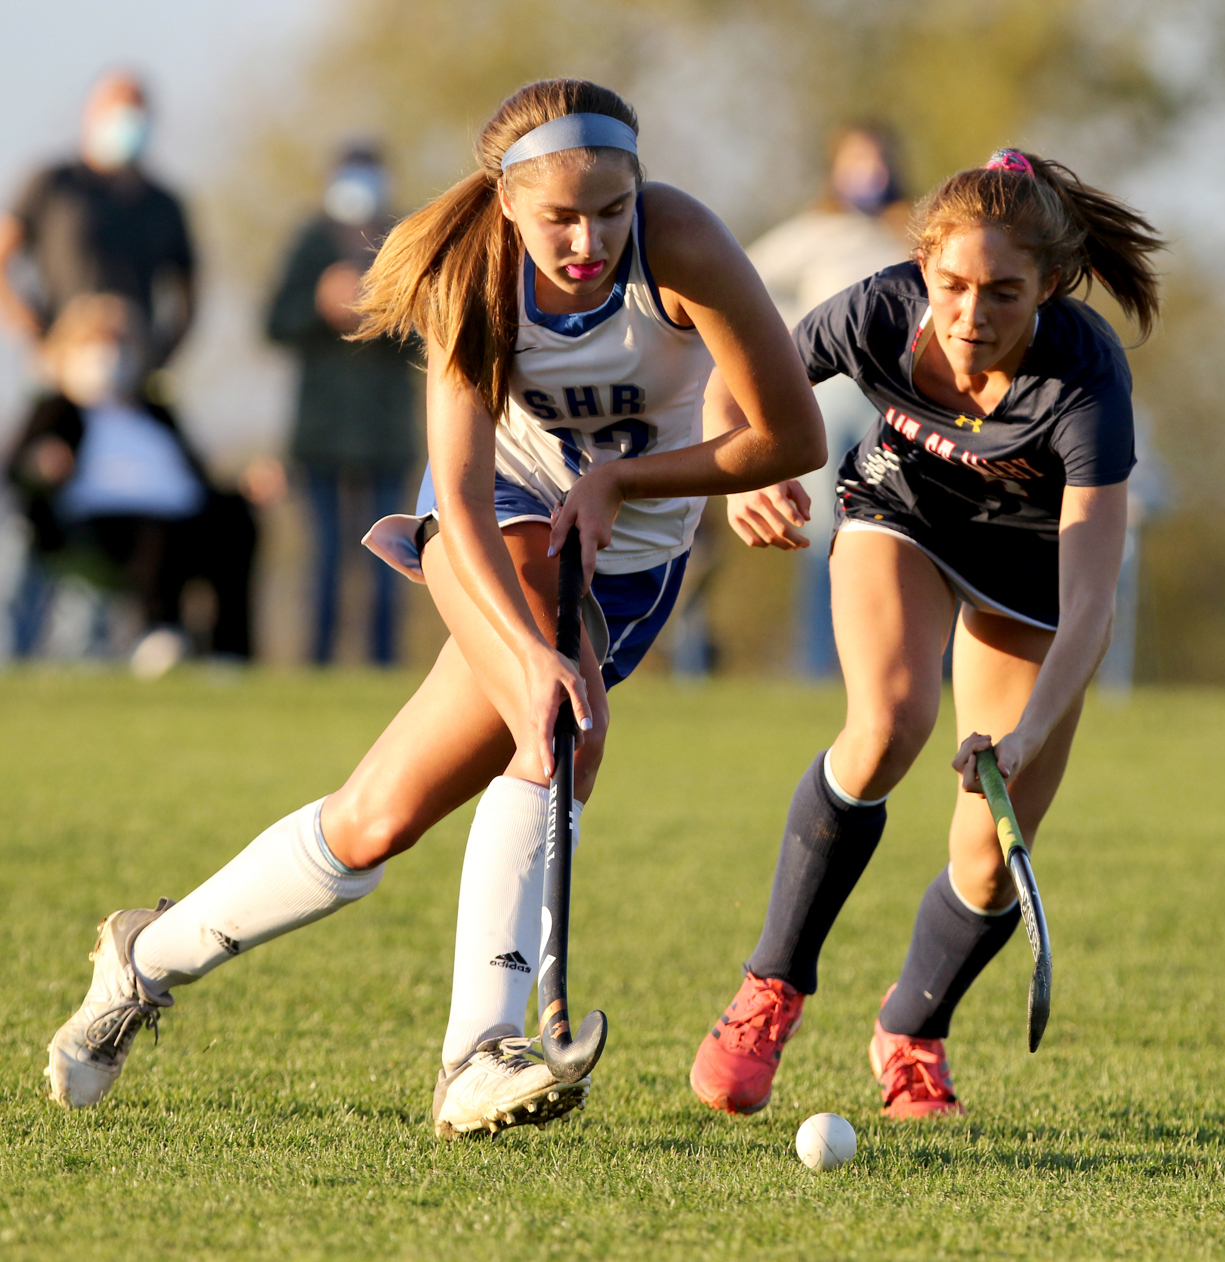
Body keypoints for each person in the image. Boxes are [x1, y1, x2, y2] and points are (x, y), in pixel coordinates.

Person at [43, 79, 824, 1136]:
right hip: (486, 522)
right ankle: (479, 1055)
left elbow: (789, 439)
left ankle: (145, 954)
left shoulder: (681, 241)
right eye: (559, 216)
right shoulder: (475, 272)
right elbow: (455, 489)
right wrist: (526, 644)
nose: (589, 237)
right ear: (506, 202)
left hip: (632, 566)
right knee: (561, 722)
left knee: (373, 821)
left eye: (610, 209)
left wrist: (622, 483)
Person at [690, 149, 1163, 1118]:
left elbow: (1089, 602)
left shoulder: (1083, 384)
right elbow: (734, 384)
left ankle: (911, 1028)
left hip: (1030, 574)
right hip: (899, 512)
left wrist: (1027, 732)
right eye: (949, 284)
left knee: (993, 844)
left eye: (1001, 293)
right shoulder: (874, 309)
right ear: (921, 267)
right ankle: (768, 989)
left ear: (1049, 287)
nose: (968, 315)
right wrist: (743, 470)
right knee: (888, 724)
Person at [5, 293, 255, 669]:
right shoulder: (58, 409)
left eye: (118, 343)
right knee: (156, 532)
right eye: (96, 344)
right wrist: (43, 466)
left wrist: (244, 485)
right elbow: (17, 467)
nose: (110, 356)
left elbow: (197, 472)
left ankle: (228, 651)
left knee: (236, 519)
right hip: (99, 522)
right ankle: (158, 633)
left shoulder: (155, 410)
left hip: (182, 515)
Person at [742, 125, 910, 677]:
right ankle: (818, 665)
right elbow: (747, 282)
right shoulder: (816, 232)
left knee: (902, 525)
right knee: (825, 531)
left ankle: (906, 662)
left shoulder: (907, 231)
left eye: (879, 160)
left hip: (894, 398)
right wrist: (790, 343)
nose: (872, 173)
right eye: (859, 161)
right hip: (827, 395)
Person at [267, 143, 418, 665]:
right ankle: (319, 666)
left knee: (390, 563)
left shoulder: (405, 241)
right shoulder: (309, 242)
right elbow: (274, 324)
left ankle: (383, 666)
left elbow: (431, 336)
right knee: (325, 559)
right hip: (321, 435)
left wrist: (377, 308)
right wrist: (319, 305)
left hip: (387, 435)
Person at [0, 71, 194, 367]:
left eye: (138, 112)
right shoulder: (54, 184)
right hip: (62, 360)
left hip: (134, 363)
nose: (130, 121)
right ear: (90, 114)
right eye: (120, 109)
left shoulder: (163, 203)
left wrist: (162, 354)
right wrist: (33, 333)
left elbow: (188, 290)